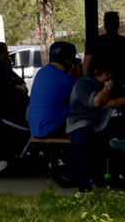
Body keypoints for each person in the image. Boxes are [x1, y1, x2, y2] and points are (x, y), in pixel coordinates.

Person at [67, 59, 125, 190]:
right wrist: (107, 89)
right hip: (83, 122)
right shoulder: (84, 83)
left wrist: (109, 103)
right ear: (96, 72)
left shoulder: (113, 80)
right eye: (107, 73)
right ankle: (83, 184)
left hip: (107, 121)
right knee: (84, 138)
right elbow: (95, 103)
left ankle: (118, 141)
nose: (110, 76)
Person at [27, 41, 78, 138]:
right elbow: (83, 101)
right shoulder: (67, 80)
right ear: (68, 61)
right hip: (52, 128)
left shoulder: (41, 72)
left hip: (35, 127)